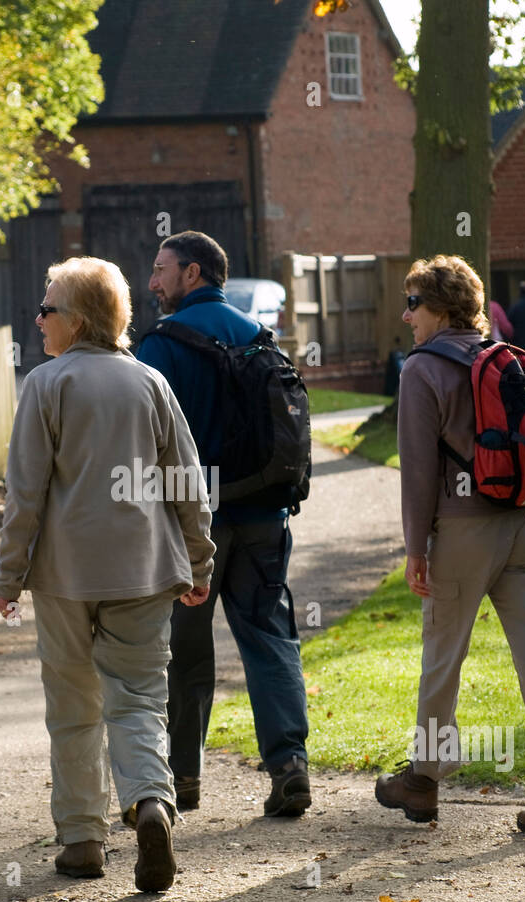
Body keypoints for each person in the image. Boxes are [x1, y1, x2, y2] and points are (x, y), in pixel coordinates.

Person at [0, 256, 214, 893]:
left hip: (64, 576)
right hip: (144, 570)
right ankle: (149, 803)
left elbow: (25, 494)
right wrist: (199, 561)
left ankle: (83, 838)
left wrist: (9, 576)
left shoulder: (44, 385)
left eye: (48, 309)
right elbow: (187, 485)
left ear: (80, 320)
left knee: (72, 705)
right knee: (140, 698)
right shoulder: (149, 383)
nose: (37, 320)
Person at [374, 254, 525, 835]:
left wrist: (416, 549)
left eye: (414, 303)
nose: (406, 314)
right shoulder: (503, 359)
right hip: (522, 522)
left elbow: (417, 471)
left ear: (441, 309)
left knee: (443, 656)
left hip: (462, 529)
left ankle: (423, 779)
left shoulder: (422, 370)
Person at [136, 231, 311, 817]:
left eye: (161, 270)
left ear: (193, 273)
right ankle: (290, 766)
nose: (153, 282)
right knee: (269, 636)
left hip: (194, 521)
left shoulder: (160, 346)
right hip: (264, 512)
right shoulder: (259, 337)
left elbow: (143, 438)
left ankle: (183, 778)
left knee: (186, 650)